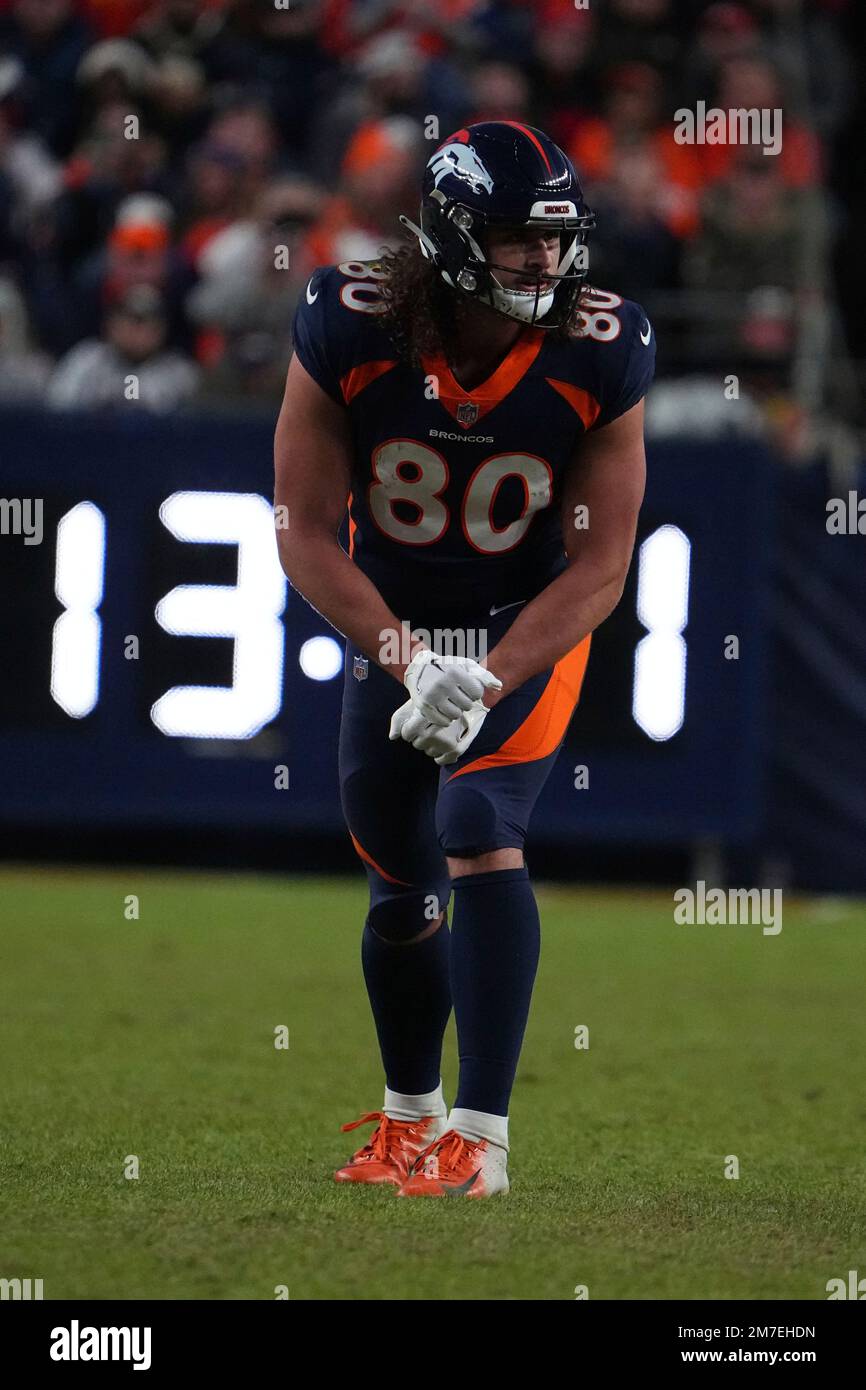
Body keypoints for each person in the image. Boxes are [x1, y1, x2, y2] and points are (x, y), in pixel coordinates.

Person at [274, 121, 654, 1198]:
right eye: (514, 238)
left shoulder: (600, 344)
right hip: (393, 620)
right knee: (397, 881)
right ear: (448, 235)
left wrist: (483, 674)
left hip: (520, 619)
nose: (543, 260)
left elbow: (599, 567)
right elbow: (302, 530)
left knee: (479, 827)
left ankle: (479, 1140)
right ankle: (410, 1121)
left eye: (553, 238)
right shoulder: (346, 325)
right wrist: (405, 659)